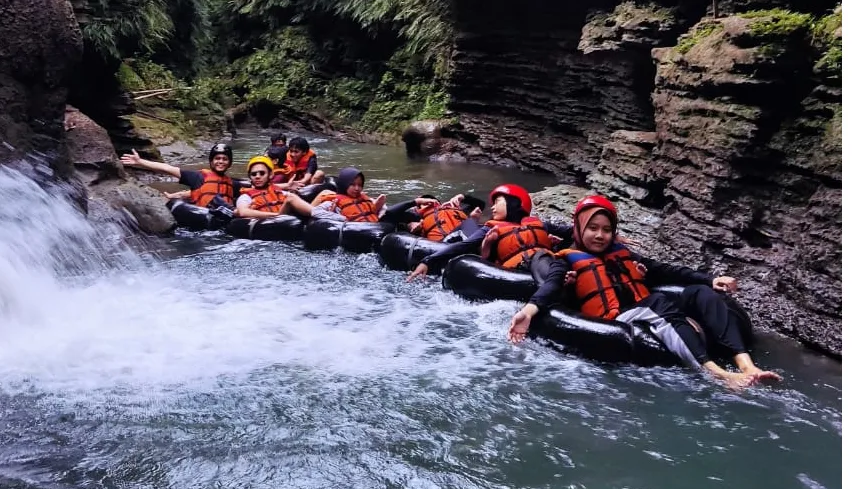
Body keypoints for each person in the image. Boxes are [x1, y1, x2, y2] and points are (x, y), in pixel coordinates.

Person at [507, 193, 781, 389]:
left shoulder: (622, 253)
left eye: (606, 230)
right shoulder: (566, 259)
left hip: (645, 304)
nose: (600, 235)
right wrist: (528, 312)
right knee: (657, 304)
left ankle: (745, 364)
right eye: (592, 228)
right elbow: (551, 285)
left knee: (701, 293)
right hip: (615, 318)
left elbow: (666, 270)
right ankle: (718, 374)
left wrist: (710, 280)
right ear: (579, 227)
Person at [405, 185, 570, 281]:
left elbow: (573, 232)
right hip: (514, 273)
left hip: (543, 267)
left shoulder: (539, 224)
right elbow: (464, 245)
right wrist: (428, 260)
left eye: (497, 202)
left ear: (513, 203)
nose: (492, 207)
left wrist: (557, 247)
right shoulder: (491, 228)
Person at [119, 142, 243, 209]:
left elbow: (255, 186)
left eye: (224, 159)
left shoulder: (233, 183)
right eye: (217, 158)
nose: (220, 161)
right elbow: (167, 169)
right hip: (204, 216)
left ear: (229, 163)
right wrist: (140, 162)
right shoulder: (197, 177)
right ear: (211, 161)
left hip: (226, 217)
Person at [310, 167, 386, 222]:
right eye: (352, 184)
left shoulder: (364, 198)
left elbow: (384, 207)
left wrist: (378, 213)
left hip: (374, 227)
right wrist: (342, 218)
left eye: (359, 185)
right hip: (353, 230)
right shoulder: (334, 202)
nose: (357, 188)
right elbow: (315, 212)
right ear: (344, 184)